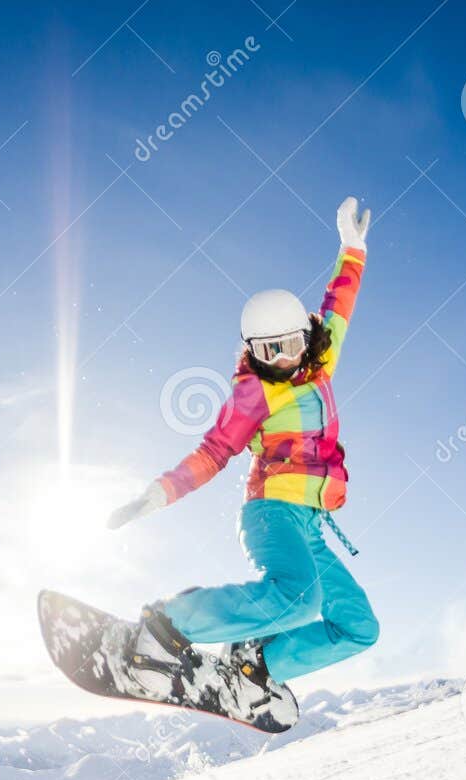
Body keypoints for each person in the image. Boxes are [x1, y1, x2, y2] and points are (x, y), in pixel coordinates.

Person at [107, 196, 380, 697]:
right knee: (299, 598)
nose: (280, 360)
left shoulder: (320, 364)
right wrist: (159, 493)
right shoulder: (253, 392)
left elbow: (339, 305)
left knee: (360, 627)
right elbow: (213, 452)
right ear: (251, 351)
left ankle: (258, 663)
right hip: (272, 512)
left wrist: (352, 248)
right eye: (266, 351)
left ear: (307, 338)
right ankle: (166, 625)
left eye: (290, 346)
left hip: (311, 523)